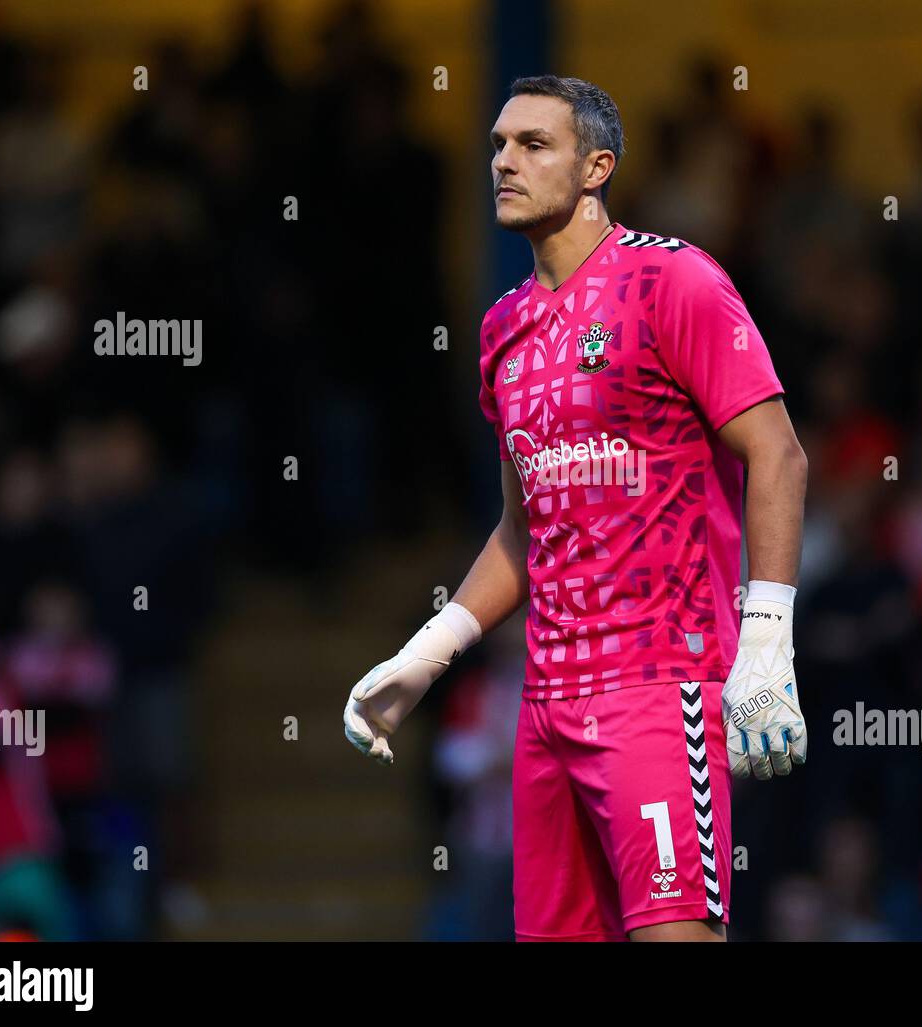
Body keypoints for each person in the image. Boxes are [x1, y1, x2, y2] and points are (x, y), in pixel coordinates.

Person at [343, 75, 808, 942]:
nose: (504, 163)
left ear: (597, 167)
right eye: (496, 146)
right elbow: (524, 529)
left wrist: (767, 641)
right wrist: (428, 650)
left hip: (661, 691)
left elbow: (778, 453)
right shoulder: (502, 330)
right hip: (545, 709)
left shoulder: (674, 280)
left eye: (532, 145)